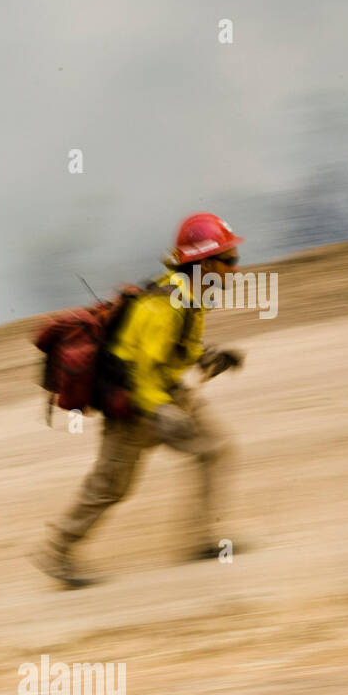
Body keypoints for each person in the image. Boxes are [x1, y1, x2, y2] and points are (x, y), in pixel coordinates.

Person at [35, 213, 247, 587]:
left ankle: (201, 538)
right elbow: (141, 372)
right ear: (203, 263)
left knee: (215, 449)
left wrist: (207, 357)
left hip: (166, 394)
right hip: (134, 407)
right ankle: (57, 552)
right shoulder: (163, 306)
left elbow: (178, 347)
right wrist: (162, 411)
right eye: (228, 259)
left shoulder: (188, 295)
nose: (234, 268)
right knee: (109, 487)